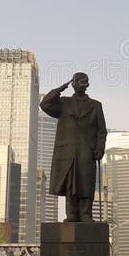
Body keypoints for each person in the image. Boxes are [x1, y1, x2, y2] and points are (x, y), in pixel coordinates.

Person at [39, 73, 107, 222]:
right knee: (70, 182)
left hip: (86, 149)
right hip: (67, 150)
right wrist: (59, 89)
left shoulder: (96, 106)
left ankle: (86, 213)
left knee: (85, 181)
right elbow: (45, 105)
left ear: (86, 85)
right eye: (76, 82)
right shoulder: (63, 102)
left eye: (82, 82)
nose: (79, 85)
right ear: (73, 84)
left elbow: (101, 130)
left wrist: (100, 148)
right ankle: (71, 213)